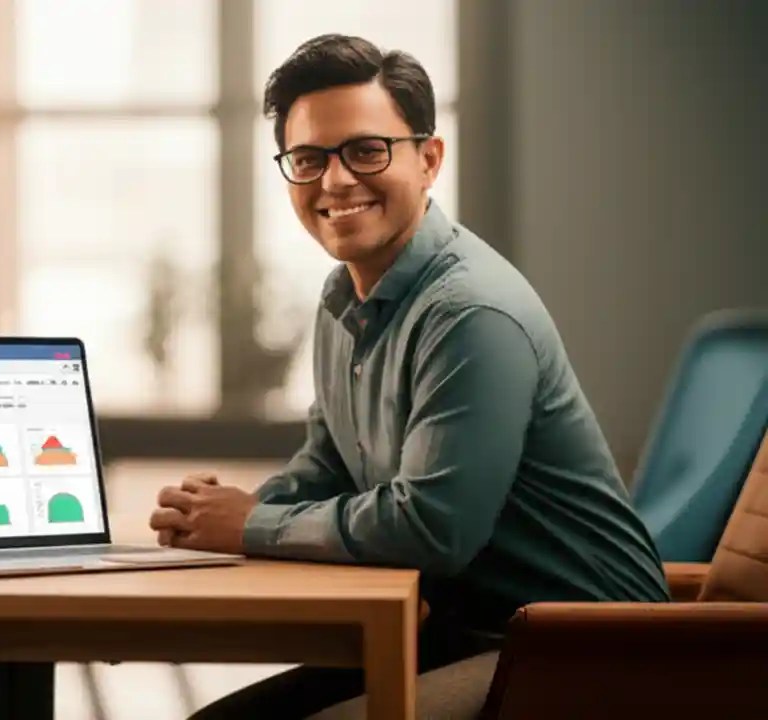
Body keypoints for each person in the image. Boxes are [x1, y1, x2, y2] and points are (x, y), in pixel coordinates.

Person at [150, 34, 670, 719]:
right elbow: (329, 463)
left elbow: (431, 529)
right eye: (308, 159)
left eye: (366, 151)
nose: (335, 181)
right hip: (463, 633)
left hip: (590, 655)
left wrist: (251, 525)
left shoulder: (471, 313)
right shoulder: (346, 298)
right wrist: (218, 516)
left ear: (428, 159)